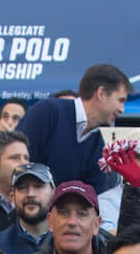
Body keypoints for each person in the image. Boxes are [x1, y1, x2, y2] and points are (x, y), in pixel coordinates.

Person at [19, 64, 131, 203]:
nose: (122, 109)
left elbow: (94, 201)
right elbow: (16, 167)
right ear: (101, 93)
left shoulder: (97, 144)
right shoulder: (48, 112)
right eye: (120, 100)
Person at [0, 162, 55, 254]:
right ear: (12, 198)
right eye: (22, 188)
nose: (30, 194)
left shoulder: (70, 240)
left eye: (38, 186)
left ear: (53, 194)